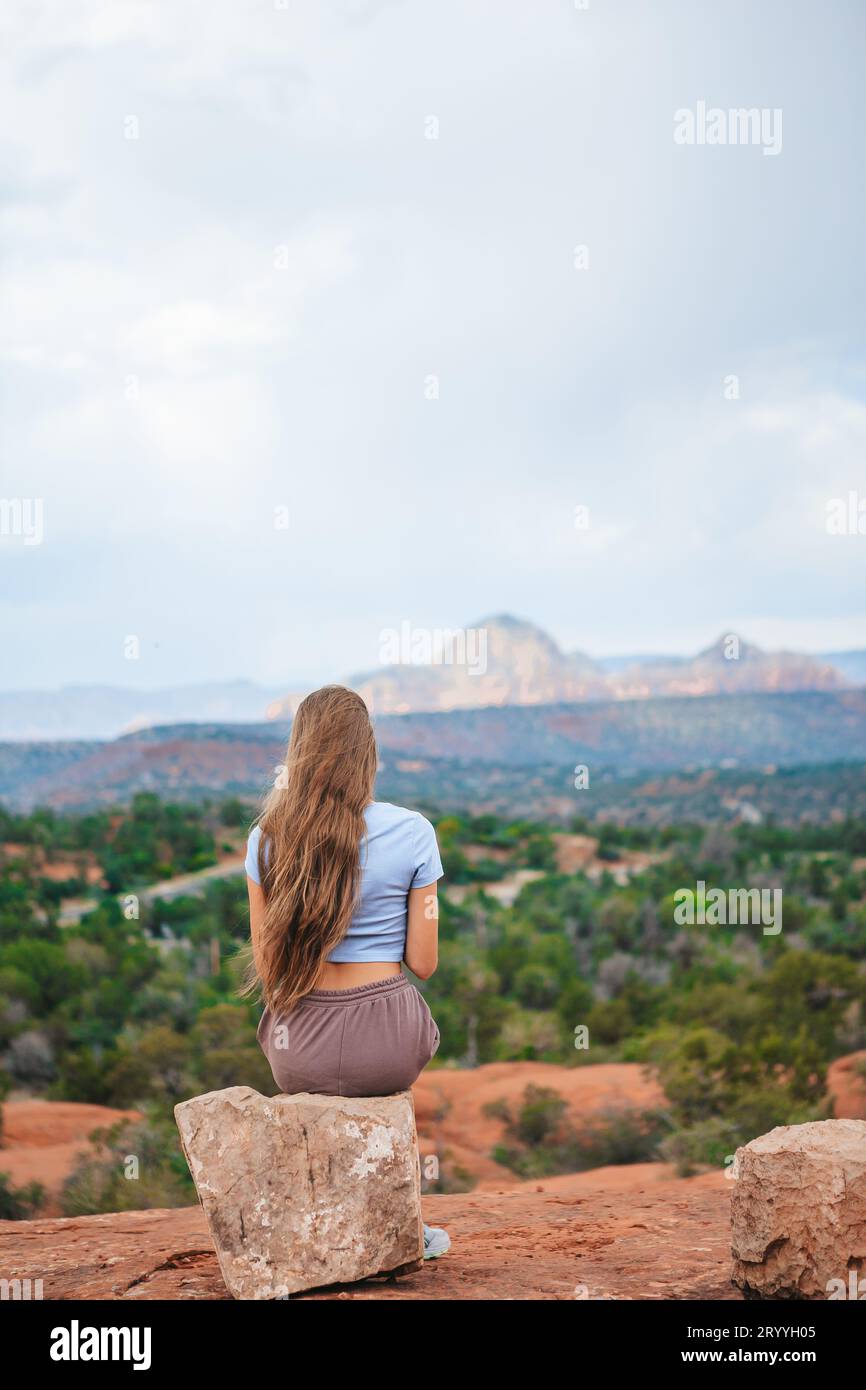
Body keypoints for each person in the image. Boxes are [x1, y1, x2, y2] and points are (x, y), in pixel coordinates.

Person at [243, 684, 450, 1259]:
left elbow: (268, 965)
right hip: (388, 1043)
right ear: (369, 755)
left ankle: (310, 1228)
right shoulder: (414, 832)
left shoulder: (266, 839)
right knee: (414, 1030)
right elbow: (425, 964)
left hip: (297, 1047)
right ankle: (402, 1226)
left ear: (299, 752)